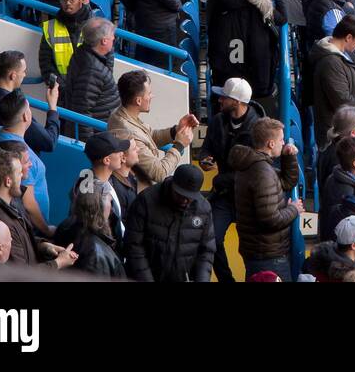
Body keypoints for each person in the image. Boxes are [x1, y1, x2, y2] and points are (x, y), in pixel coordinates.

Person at [230, 117, 303, 281]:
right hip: (268, 255)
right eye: (282, 140)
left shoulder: (256, 165)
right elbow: (270, 219)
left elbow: (285, 182)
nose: (284, 143)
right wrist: (294, 209)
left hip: (258, 250)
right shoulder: (262, 172)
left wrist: (288, 157)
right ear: (271, 144)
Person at [124, 163, 215, 283]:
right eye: (180, 194)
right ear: (172, 185)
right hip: (146, 275)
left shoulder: (203, 209)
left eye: (190, 196)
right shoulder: (146, 201)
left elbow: (206, 251)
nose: (185, 200)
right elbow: (133, 245)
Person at [108, 70, 199, 184]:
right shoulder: (129, 133)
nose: (152, 96)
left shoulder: (122, 114)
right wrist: (179, 145)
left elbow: (150, 137)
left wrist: (176, 130)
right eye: (149, 93)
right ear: (139, 101)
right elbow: (159, 173)